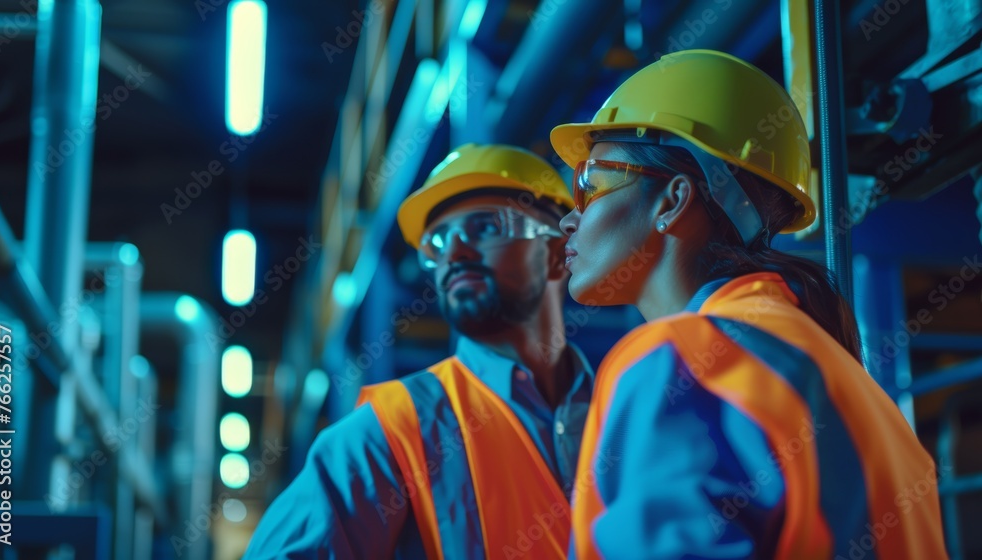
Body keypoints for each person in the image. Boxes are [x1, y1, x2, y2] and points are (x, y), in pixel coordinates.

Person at [549, 49, 947, 559]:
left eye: (590, 184)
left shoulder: (683, 359)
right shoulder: (865, 397)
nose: (568, 219)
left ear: (672, 201)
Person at [244, 143, 594, 559]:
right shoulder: (391, 431)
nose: (454, 254)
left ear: (557, 251)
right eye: (438, 242)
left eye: (485, 227)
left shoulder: (622, 407)